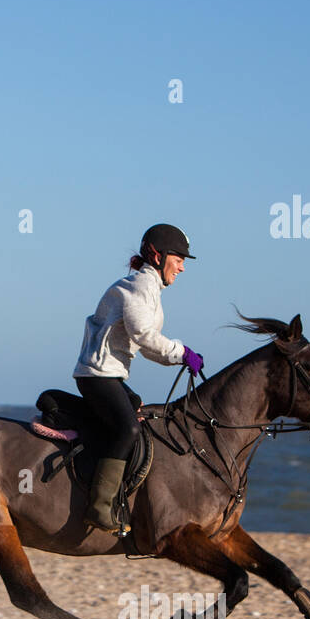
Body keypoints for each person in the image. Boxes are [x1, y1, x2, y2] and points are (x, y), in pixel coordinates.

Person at [71, 223, 203, 532]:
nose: (182, 267)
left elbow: (146, 346)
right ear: (157, 255)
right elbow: (144, 335)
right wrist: (182, 352)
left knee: (139, 411)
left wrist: (178, 357)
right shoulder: (140, 286)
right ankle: (99, 506)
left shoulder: (150, 288)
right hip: (98, 376)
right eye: (179, 259)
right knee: (128, 429)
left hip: (110, 375)